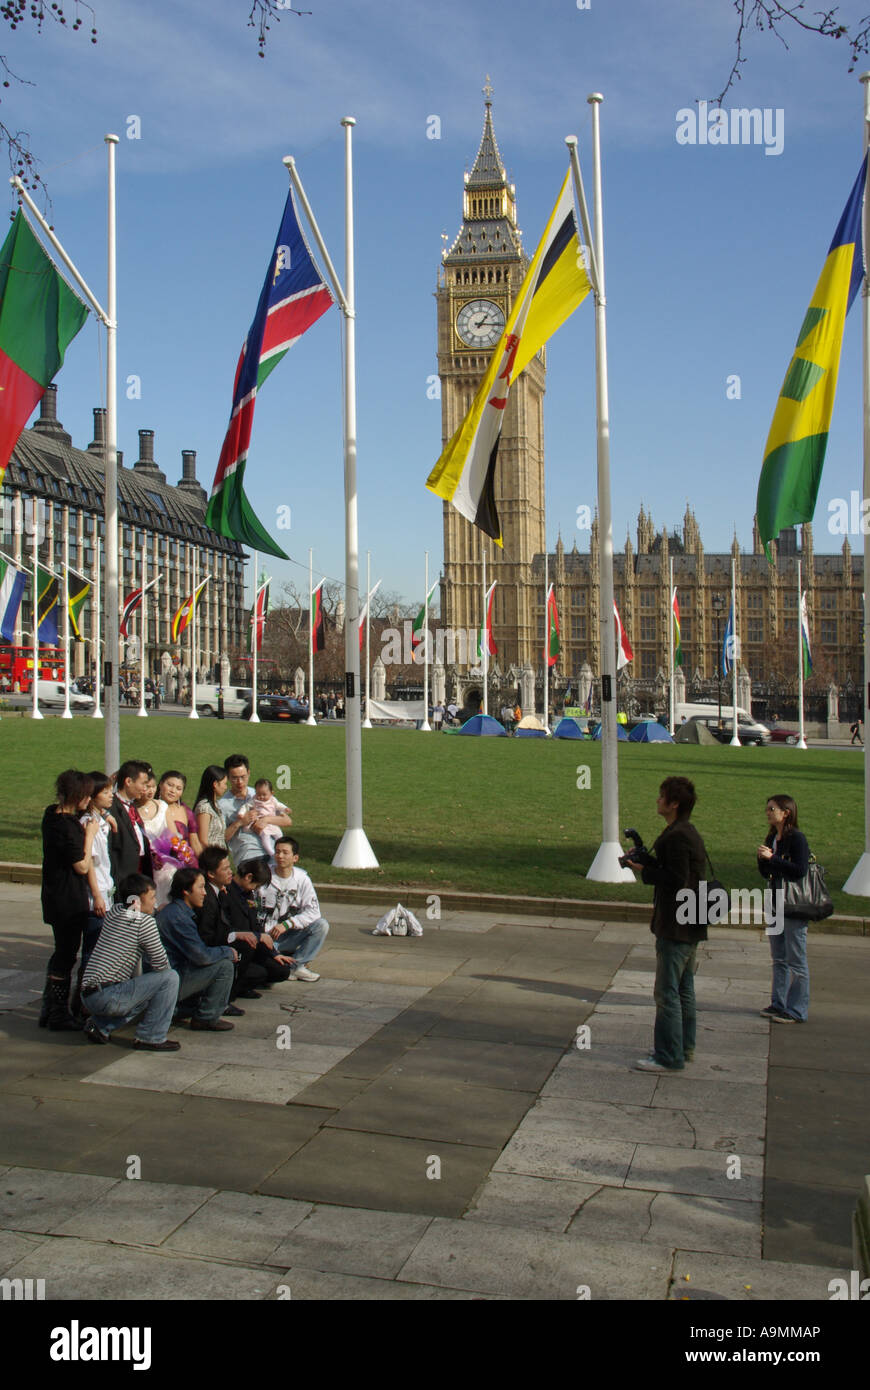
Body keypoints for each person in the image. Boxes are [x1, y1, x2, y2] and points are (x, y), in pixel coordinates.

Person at [621, 776, 707, 1073]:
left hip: (676, 923)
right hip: (689, 920)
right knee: (684, 988)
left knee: (667, 991)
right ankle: (682, 1047)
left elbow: (676, 879)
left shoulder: (677, 836)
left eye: (662, 797)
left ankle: (668, 1055)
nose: (657, 800)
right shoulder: (684, 832)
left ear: (674, 804)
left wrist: (646, 870)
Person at [80, 873, 181, 1051]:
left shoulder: (115, 911)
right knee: (170, 978)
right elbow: (161, 966)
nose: (155, 902)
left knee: (145, 991)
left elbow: (132, 917)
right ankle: (151, 1036)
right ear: (137, 901)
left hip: (89, 994)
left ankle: (100, 1026)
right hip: (108, 995)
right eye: (151, 898)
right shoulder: (145, 923)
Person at [39, 769, 100, 1031]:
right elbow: (82, 866)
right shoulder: (69, 827)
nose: (89, 800)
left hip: (53, 895)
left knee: (60, 952)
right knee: (66, 954)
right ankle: (58, 1012)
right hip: (69, 899)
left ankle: (50, 1007)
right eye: (86, 796)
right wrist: (90, 836)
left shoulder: (51, 815)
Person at [156, 869, 236, 1030]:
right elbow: (201, 956)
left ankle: (183, 1009)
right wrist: (227, 951)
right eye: (200, 887)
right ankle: (206, 1017)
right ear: (186, 891)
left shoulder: (178, 911)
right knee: (224, 966)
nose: (204, 893)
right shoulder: (178, 917)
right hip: (168, 980)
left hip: (172, 974)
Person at [757, 794, 811, 1023]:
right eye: (767, 808)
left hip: (793, 904)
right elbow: (767, 872)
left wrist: (773, 858)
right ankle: (778, 1003)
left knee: (796, 959)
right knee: (778, 957)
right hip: (775, 899)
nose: (768, 812)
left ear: (786, 812)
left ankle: (797, 1009)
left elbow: (799, 870)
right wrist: (762, 859)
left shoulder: (797, 838)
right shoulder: (772, 837)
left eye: (772, 809)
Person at [258, 837, 329, 982]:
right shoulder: (264, 876)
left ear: (295, 857)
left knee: (321, 925)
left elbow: (313, 912)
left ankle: (297, 965)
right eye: (277, 852)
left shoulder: (302, 879)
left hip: (288, 934)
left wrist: (287, 924)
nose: (280, 856)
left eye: (285, 852)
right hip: (265, 937)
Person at [219, 754, 291, 867]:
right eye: (234, 778)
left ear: (249, 773)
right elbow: (220, 840)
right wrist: (239, 823)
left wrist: (266, 820)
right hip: (248, 856)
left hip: (273, 852)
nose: (240, 782)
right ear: (227, 777)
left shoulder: (260, 793)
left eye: (243, 776)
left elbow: (287, 821)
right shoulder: (223, 805)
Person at [109, 760, 154, 883]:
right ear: (128, 781)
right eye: (143, 784)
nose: (145, 789)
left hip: (138, 873)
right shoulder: (111, 808)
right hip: (122, 877)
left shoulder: (132, 806)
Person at [194, 765, 232, 852]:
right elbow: (203, 840)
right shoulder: (204, 807)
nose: (226, 787)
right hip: (212, 860)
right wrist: (215, 859)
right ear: (215, 784)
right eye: (224, 784)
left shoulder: (215, 804)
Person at [250, 778, 292, 856]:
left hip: (272, 822)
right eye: (258, 794)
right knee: (265, 837)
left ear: (271, 793)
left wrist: (285, 808)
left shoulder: (273, 800)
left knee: (279, 834)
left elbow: (279, 805)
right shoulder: (254, 800)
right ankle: (271, 852)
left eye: (264, 794)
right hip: (261, 823)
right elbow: (246, 806)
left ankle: (281, 849)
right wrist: (242, 813)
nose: (261, 797)